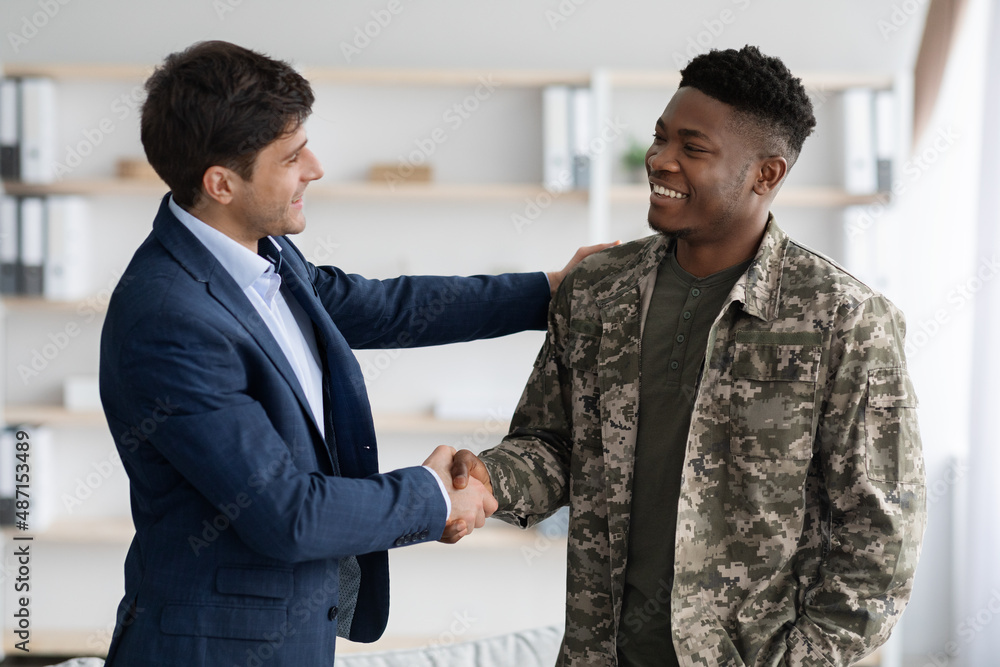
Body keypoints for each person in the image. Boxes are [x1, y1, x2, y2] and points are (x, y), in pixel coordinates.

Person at [98, 40, 607, 666]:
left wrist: (547, 293)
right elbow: (285, 513)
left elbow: (378, 305)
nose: (314, 166)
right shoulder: (170, 318)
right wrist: (434, 496)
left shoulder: (262, 255)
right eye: (290, 156)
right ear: (221, 183)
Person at [452, 45, 927, 666]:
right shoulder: (597, 289)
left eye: (692, 148)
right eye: (660, 137)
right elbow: (551, 443)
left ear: (767, 175)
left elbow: (881, 534)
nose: (660, 160)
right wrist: (490, 479)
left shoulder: (846, 319)